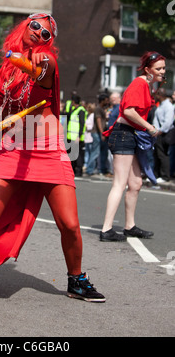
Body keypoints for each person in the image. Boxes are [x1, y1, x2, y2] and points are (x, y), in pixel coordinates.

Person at [0, 13, 105, 305]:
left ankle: (76, 279)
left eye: (46, 34)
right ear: (25, 26)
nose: (39, 33)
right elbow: (2, 111)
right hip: (13, 147)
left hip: (49, 148)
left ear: (49, 42)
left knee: (69, 224)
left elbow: (42, 74)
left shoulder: (46, 62)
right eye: (35, 26)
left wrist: (32, 65)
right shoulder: (5, 70)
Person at [100, 51, 165, 242]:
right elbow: (128, 111)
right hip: (123, 135)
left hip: (130, 136)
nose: (163, 71)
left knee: (135, 184)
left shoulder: (147, 85)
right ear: (148, 70)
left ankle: (129, 226)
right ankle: (106, 230)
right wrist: (150, 128)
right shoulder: (140, 83)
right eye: (159, 68)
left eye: (163, 68)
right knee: (120, 184)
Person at [152, 88, 175, 183]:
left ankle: (165, 176)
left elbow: (168, 121)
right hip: (158, 133)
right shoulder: (161, 105)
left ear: (160, 95)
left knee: (163, 155)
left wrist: (160, 131)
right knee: (157, 154)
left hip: (164, 133)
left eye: (156, 95)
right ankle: (157, 174)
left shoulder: (168, 106)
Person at [65, 93, 87, 177]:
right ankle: (73, 170)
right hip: (71, 137)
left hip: (76, 137)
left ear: (73, 102)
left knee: (78, 155)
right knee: (72, 154)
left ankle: (79, 171)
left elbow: (82, 124)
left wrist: (79, 135)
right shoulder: (75, 110)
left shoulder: (81, 110)